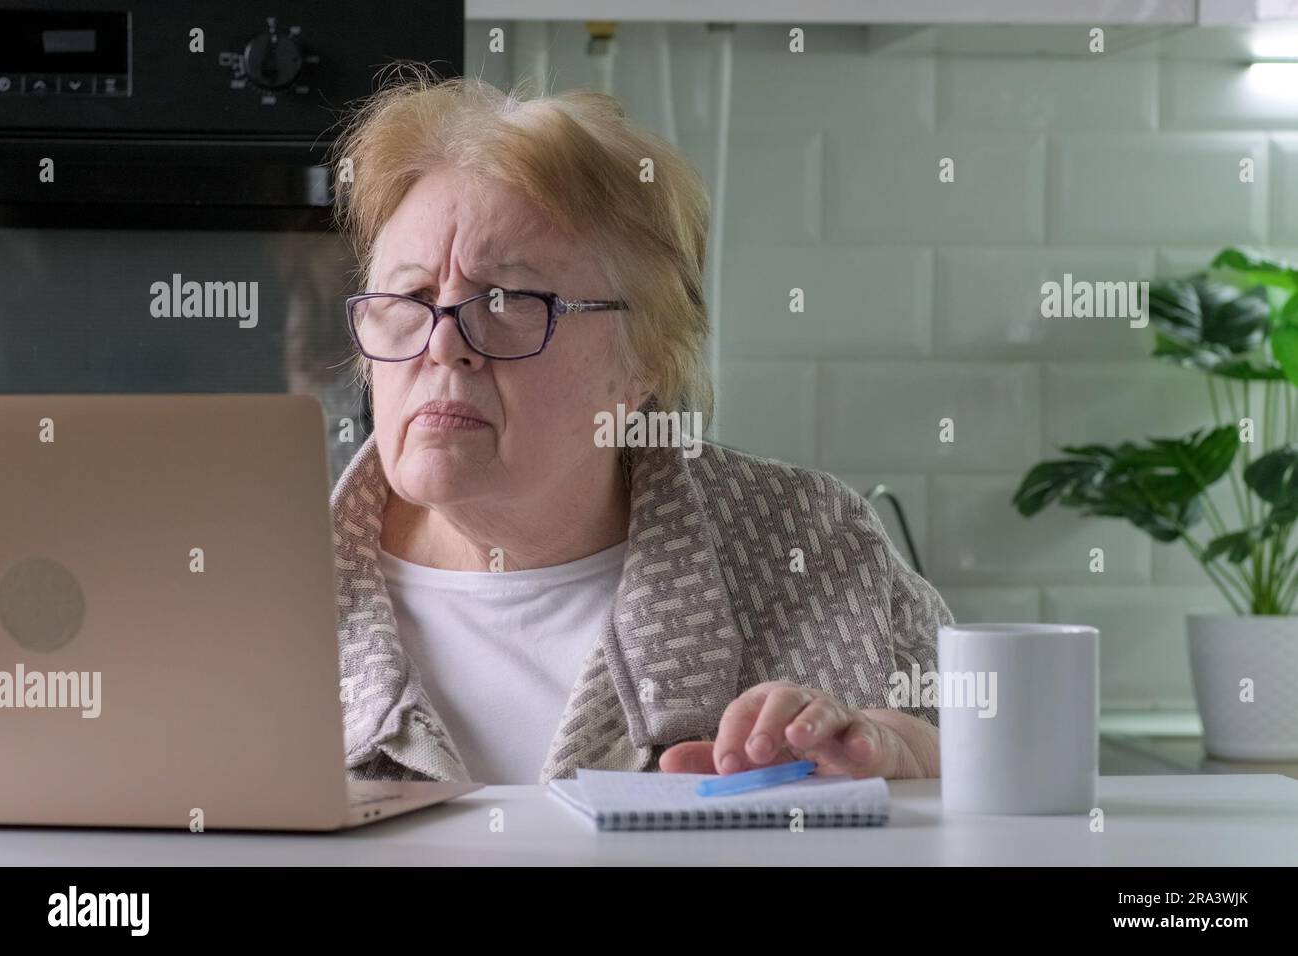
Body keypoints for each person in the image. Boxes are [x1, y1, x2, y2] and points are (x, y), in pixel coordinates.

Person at [329, 70, 953, 785]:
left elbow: (1006, 773)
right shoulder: (262, 592)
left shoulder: (813, 547)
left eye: (507, 299)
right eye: (410, 295)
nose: (443, 343)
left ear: (643, 362)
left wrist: (913, 759)